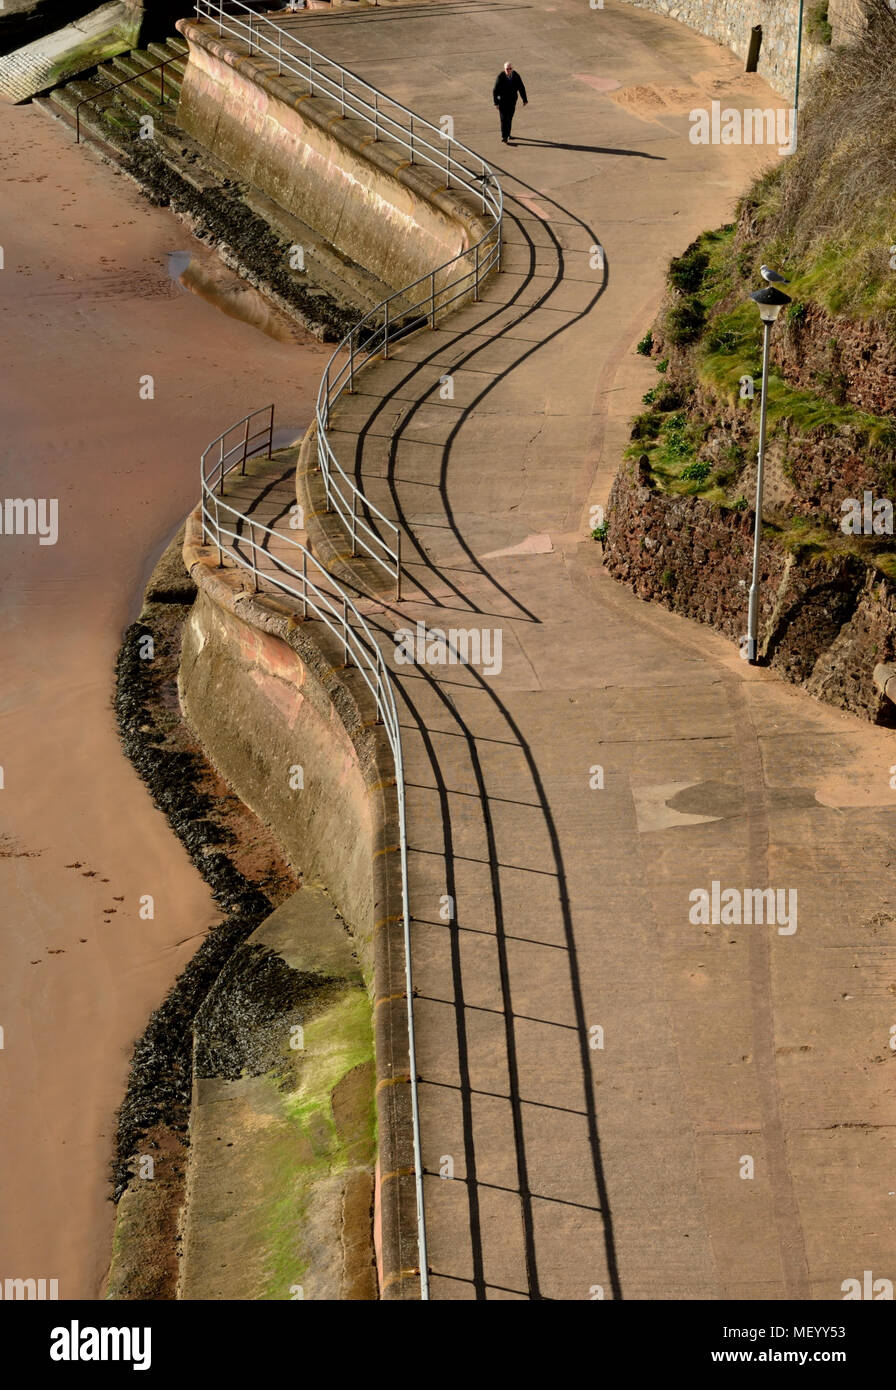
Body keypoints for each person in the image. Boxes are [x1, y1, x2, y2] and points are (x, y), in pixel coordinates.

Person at [493, 61, 528, 144]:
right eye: (507, 69)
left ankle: (508, 134)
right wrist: (496, 103)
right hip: (502, 102)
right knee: (503, 119)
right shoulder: (500, 77)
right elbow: (495, 91)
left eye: (510, 69)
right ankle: (504, 136)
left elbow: (521, 87)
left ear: (512, 69)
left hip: (512, 101)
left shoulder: (516, 76)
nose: (508, 70)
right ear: (504, 69)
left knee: (509, 118)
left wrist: (524, 99)